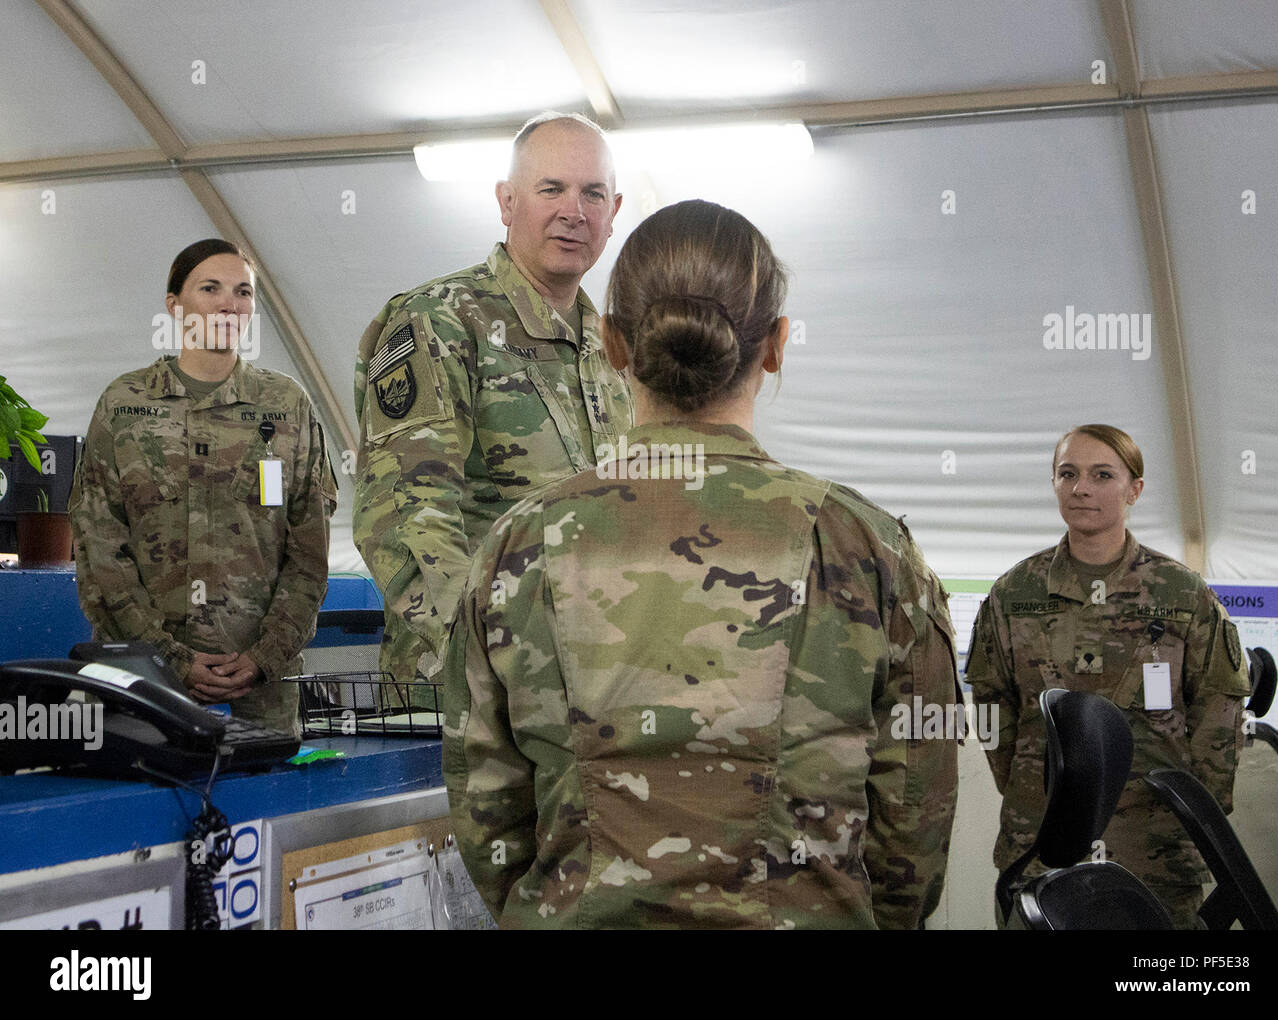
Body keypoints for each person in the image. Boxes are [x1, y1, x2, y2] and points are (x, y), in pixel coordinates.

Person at [442, 199, 961, 929]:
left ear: (612, 343)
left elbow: (487, 811)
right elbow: (915, 824)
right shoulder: (867, 547)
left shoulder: (516, 546)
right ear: (776, 344)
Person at [353, 111, 633, 697]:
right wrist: (482, 658)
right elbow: (405, 512)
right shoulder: (441, 320)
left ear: (614, 213)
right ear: (506, 202)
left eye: (593, 194)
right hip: (467, 688)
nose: (573, 211)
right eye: (551, 188)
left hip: (588, 687)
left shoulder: (614, 349)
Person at [965, 424, 1251, 928]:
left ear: (1134, 489)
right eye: (1068, 474)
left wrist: (1195, 815)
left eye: (1102, 475)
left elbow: (1219, 708)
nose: (1081, 488)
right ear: (1054, 484)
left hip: (1153, 844)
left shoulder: (1180, 593)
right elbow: (992, 703)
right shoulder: (1015, 592)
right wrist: (1032, 785)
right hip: (1044, 839)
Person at [69, 238, 337, 735]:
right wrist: (167, 656)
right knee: (143, 805)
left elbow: (308, 555)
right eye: (209, 288)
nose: (228, 303)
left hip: (261, 687)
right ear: (175, 305)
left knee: (268, 807)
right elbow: (100, 549)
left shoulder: (286, 407)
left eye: (242, 292)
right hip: (144, 679)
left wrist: (263, 656)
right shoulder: (125, 405)